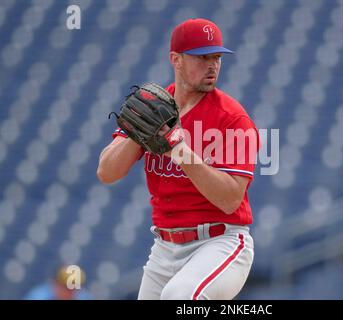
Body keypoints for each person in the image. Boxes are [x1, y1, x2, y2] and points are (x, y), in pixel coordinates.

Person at [97, 18, 259, 300]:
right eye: (202, 57)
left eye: (217, 57)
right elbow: (106, 172)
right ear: (176, 59)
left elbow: (231, 199)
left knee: (181, 296)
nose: (212, 65)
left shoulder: (233, 119)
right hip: (164, 246)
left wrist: (180, 149)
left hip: (219, 241)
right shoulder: (153, 105)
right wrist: (138, 134)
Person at [24, 265, 92, 300]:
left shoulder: (83, 296)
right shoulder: (39, 297)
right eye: (66, 287)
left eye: (75, 286)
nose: (70, 291)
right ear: (54, 283)